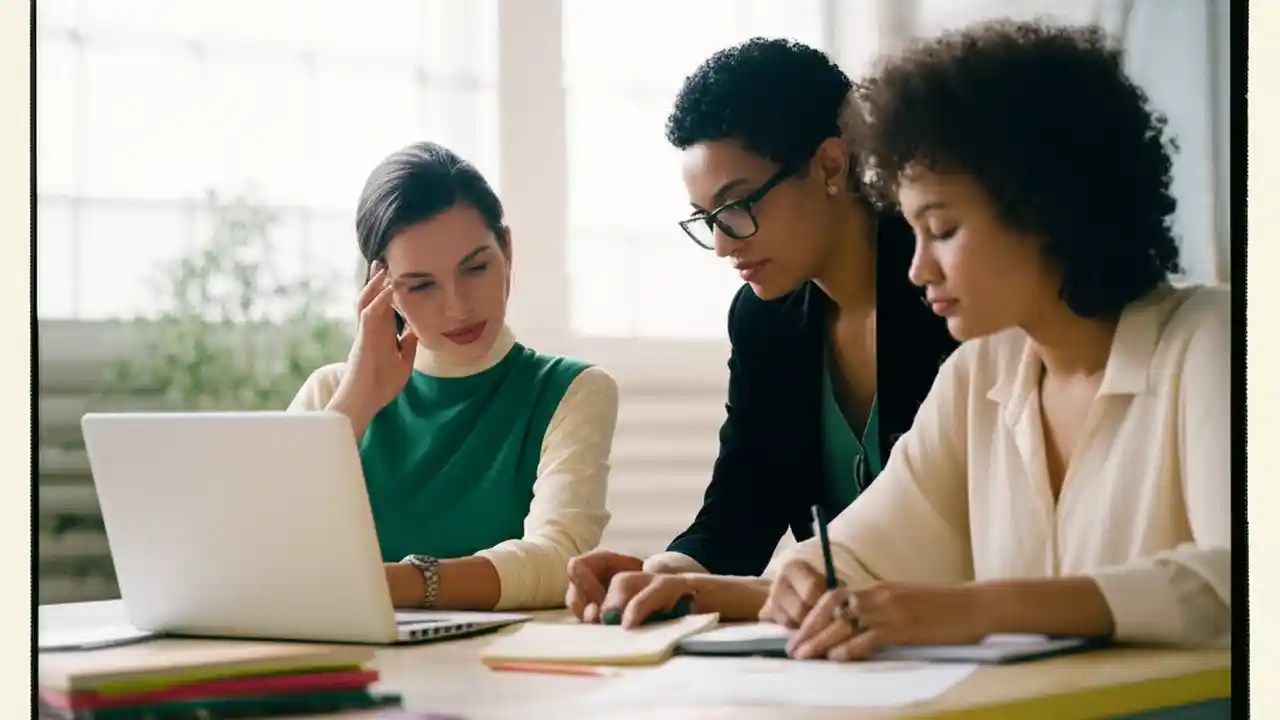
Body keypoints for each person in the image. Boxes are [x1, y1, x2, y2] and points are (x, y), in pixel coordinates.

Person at [585, 18, 1231, 651]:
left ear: (1048, 206)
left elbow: (1239, 576)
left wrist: (976, 608)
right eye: (915, 231)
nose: (919, 268)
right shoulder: (979, 372)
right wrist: (692, 587)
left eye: (943, 230)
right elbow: (860, 554)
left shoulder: (1215, 343)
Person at [565, 38, 957, 623]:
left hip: (947, 626)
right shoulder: (763, 318)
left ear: (830, 165)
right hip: (836, 647)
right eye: (706, 219)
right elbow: (743, 504)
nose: (723, 243)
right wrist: (665, 573)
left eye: (738, 205)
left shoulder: (947, 289)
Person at [288, 141, 619, 611]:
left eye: (477, 268)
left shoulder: (572, 391)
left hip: (506, 671)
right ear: (382, 288)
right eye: (421, 285)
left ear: (507, 248)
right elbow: (269, 545)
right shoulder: (331, 395)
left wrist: (391, 584)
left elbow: (559, 559)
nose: (457, 306)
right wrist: (355, 407)